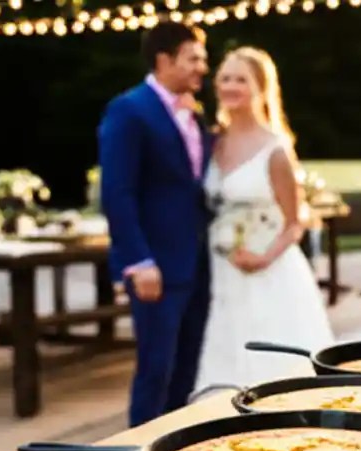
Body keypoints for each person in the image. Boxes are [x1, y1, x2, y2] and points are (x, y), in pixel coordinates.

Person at [194, 47, 333, 389]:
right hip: (223, 270)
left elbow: (294, 221)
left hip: (269, 270)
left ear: (260, 87)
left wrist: (263, 257)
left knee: (272, 362)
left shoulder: (275, 149)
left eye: (241, 79)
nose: (230, 86)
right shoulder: (212, 143)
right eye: (225, 78)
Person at [99, 21, 212, 427]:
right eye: (194, 58)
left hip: (198, 263)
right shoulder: (129, 110)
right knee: (155, 370)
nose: (203, 67)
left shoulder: (194, 113)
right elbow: (117, 192)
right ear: (165, 60)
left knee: (185, 371)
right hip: (156, 267)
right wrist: (139, 261)